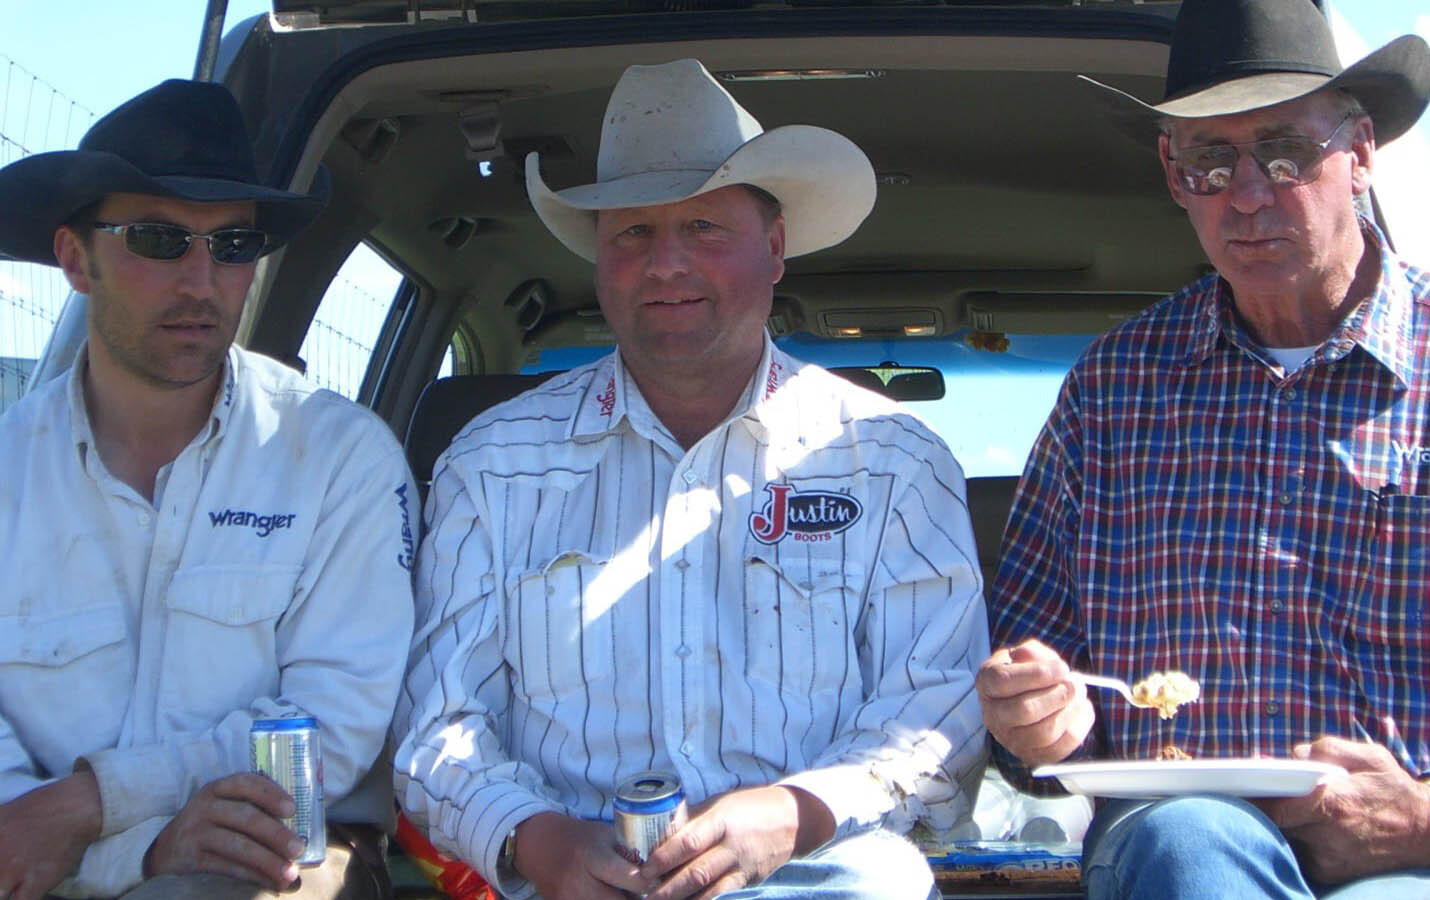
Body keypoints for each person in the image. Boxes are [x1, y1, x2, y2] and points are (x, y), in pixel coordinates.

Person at [977, 1, 1430, 898]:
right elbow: (1035, 672)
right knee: (1192, 843)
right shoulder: (1113, 392)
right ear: (1171, 172)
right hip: (1180, 853)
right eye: (1211, 160)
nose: (1250, 193)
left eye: (1285, 153)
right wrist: (1038, 721)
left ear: (1360, 153)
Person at [393, 59, 988, 900]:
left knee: (874, 879)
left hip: (816, 872)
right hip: (567, 885)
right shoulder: (491, 464)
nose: (666, 263)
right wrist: (544, 844)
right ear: (599, 260)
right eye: (633, 232)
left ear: (774, 249)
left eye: (705, 227)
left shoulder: (892, 459)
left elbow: (937, 715)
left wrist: (796, 812)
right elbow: (437, 726)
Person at [0, 80, 415, 900]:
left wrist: (93, 804)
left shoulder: (340, 457)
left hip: (280, 850)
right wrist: (127, 846)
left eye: (232, 247)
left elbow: (334, 723)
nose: (202, 280)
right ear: (76, 260)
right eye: (158, 239)